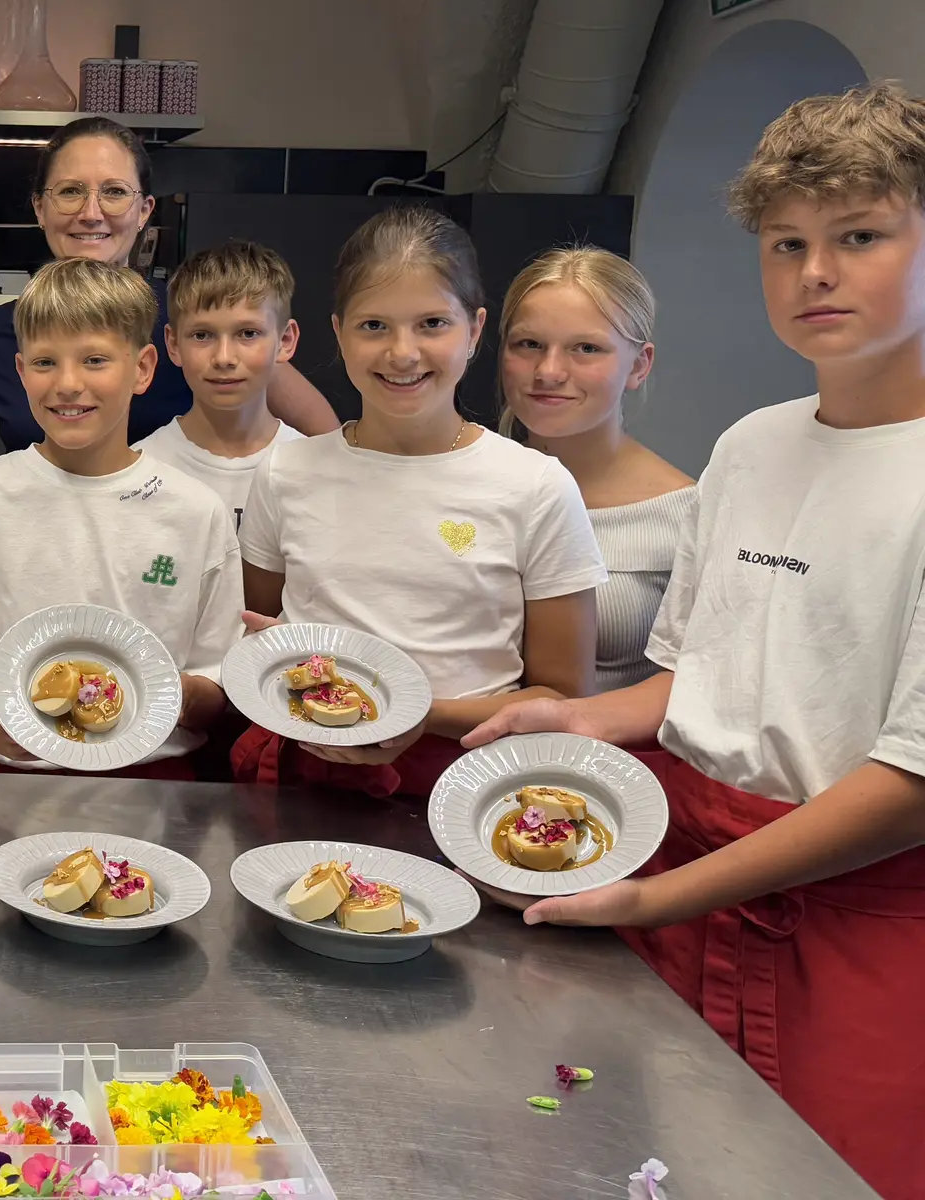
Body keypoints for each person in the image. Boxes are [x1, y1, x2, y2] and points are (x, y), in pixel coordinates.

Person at [466, 85, 925, 1200]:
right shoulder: (752, 446)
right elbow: (688, 677)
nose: (813, 274)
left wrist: (663, 897)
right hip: (683, 856)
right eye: (785, 244)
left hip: (855, 913)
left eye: (858, 237)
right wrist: (573, 716)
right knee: (656, 1163)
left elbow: (909, 783)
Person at [234, 206, 604, 797]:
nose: (402, 353)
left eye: (432, 323)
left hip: (471, 783)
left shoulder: (535, 485)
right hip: (306, 772)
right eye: (374, 326)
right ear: (338, 333)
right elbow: (264, 632)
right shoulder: (287, 470)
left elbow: (562, 698)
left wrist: (417, 713)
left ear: (476, 330)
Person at [0, 258, 240, 777]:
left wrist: (147, 701)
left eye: (94, 361)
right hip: (3, 776)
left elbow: (215, 682)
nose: (67, 383)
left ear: (142, 368)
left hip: (153, 780)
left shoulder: (197, 512)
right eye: (45, 363)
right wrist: (24, 740)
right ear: (21, 372)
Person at [0, 117, 338, 455]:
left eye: (114, 192)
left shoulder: (197, 326)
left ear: (144, 211)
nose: (91, 213)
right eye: (70, 192)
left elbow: (325, 442)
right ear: (40, 208)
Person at [496, 247, 696, 692]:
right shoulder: (467, 483)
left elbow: (709, 686)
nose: (548, 372)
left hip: (614, 757)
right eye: (529, 344)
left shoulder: (689, 516)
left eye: (586, 348)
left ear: (639, 365)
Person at [133, 240, 306, 534]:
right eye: (202, 335)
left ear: (285, 341)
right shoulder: (139, 472)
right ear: (173, 344)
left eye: (248, 333)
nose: (224, 358)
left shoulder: (314, 471)